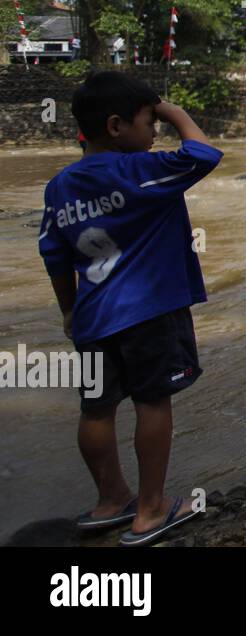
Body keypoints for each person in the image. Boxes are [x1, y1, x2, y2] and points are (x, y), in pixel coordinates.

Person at [39, 71, 223, 546]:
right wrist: (172, 108)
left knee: (96, 410)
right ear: (118, 126)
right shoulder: (140, 170)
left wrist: (68, 310)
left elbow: (54, 254)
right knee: (152, 402)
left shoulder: (59, 187)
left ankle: (109, 500)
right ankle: (150, 509)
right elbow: (204, 154)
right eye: (149, 121)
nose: (156, 130)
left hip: (93, 317)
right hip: (150, 313)